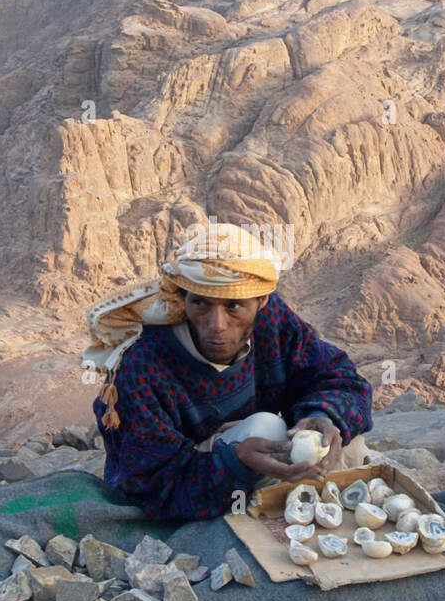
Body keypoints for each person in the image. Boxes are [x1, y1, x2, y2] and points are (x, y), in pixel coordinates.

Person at [83, 221, 374, 521]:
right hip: (192, 467)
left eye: (234, 306)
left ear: (261, 302)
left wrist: (323, 415)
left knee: (344, 444)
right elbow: (149, 485)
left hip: (242, 446)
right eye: (200, 304)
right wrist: (235, 463)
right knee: (268, 429)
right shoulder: (143, 365)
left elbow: (342, 379)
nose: (217, 325)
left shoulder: (272, 320)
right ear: (183, 299)